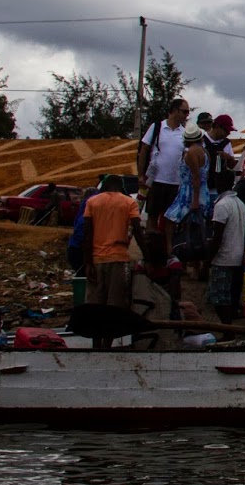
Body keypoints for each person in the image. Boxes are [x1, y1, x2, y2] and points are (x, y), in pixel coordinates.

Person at [80, 175, 146, 346]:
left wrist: (87, 263)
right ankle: (107, 346)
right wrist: (147, 255)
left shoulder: (92, 202)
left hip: (96, 261)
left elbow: (86, 233)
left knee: (95, 307)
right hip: (118, 259)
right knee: (113, 307)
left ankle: (96, 345)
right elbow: (137, 230)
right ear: (120, 187)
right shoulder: (129, 203)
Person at [164, 122, 211, 276]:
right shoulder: (204, 151)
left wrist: (194, 199)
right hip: (201, 192)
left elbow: (196, 176)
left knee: (170, 220)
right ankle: (195, 264)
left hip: (189, 192)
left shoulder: (191, 153)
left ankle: (171, 254)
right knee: (196, 228)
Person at [137, 99, 191, 232]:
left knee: (170, 219)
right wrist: (140, 175)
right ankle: (151, 246)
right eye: (184, 111)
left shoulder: (184, 133)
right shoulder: (157, 127)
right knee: (152, 216)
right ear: (175, 111)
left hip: (175, 183)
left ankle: (166, 248)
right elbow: (144, 150)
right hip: (155, 180)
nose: (186, 115)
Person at [205, 168, 245, 324]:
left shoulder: (222, 205)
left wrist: (207, 261)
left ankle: (228, 331)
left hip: (223, 258)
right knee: (226, 297)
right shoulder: (239, 203)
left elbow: (217, 236)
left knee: (219, 299)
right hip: (237, 256)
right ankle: (229, 328)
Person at [134, 234, 184, 313]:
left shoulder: (172, 262)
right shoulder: (143, 264)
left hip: (169, 300)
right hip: (149, 301)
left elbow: (173, 290)